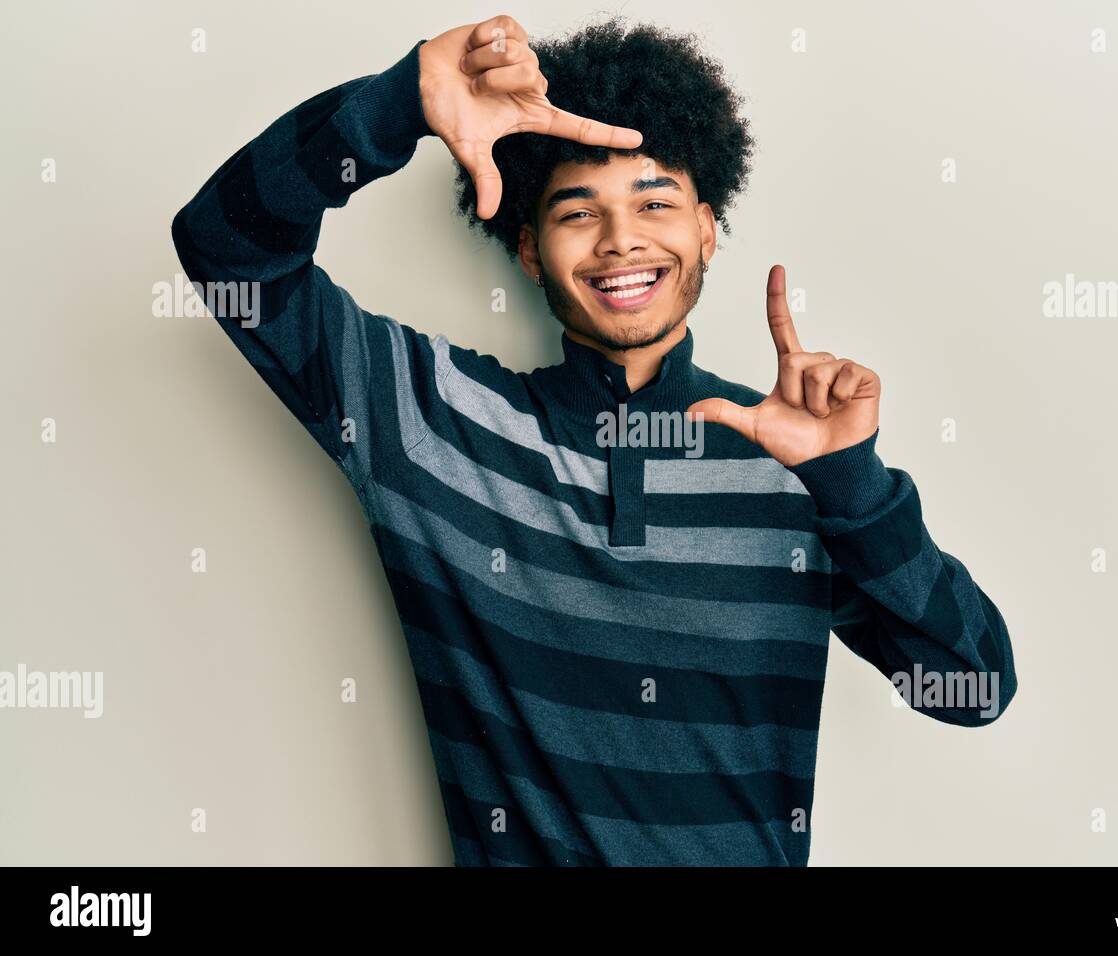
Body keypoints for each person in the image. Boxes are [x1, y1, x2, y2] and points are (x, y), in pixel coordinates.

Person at [171, 13, 1017, 867]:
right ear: (530, 250)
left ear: (706, 229)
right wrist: (395, 108)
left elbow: (975, 689)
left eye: (655, 202)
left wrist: (855, 490)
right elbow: (225, 249)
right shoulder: (430, 421)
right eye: (580, 212)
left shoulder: (796, 467)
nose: (622, 239)